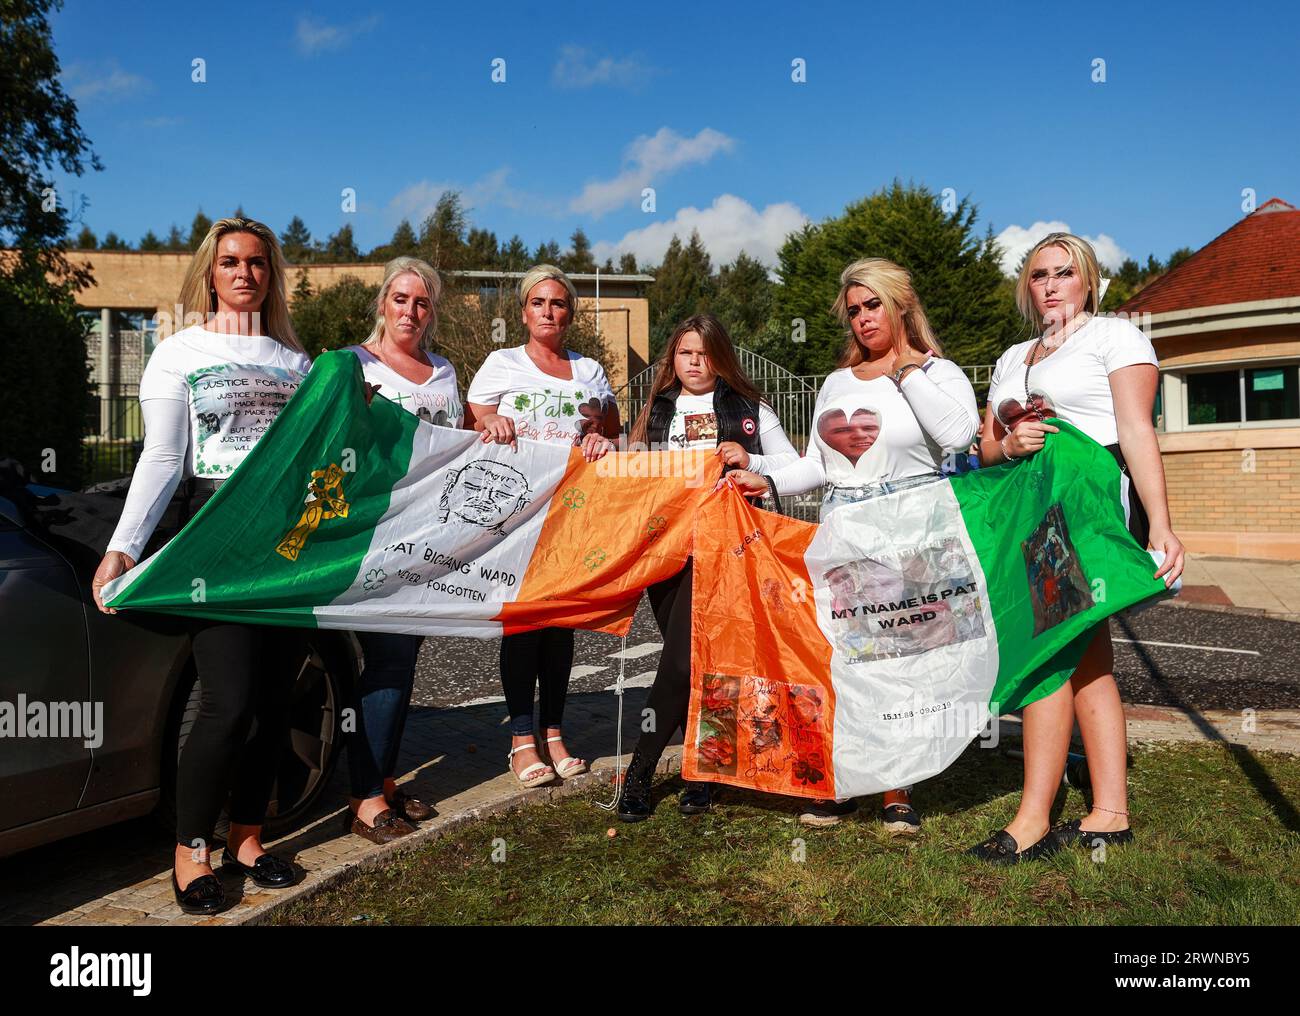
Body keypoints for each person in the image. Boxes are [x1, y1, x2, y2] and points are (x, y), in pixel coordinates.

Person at [91, 217, 313, 915]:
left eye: (256, 263)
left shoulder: (296, 361)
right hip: (215, 537)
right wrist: (124, 545)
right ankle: (192, 851)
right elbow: (162, 458)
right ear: (210, 274)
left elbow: (316, 462)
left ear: (270, 274)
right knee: (228, 701)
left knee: (277, 701)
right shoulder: (178, 350)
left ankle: (247, 839)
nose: (244, 273)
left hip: (287, 548)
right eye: (230, 263)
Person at [728, 257, 980, 830]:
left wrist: (907, 370)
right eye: (855, 310)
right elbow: (817, 466)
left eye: (874, 306)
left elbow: (958, 436)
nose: (864, 319)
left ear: (900, 306)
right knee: (845, 659)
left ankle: (896, 789)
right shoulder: (837, 383)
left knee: (906, 661)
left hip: (916, 528)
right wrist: (765, 478)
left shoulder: (937, 373)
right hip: (846, 528)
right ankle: (842, 778)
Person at [966, 232, 1184, 864]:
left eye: (1065, 272)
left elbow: (1138, 429)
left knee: (1047, 651)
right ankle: (1110, 810)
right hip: (1030, 511)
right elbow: (986, 450)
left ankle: (1033, 818)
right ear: (1026, 286)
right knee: (1087, 658)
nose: (1052, 284)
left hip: (1088, 505)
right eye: (1040, 275)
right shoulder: (1011, 358)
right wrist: (1009, 444)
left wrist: (1161, 522)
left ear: (1087, 279)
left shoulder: (1115, 337)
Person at [614, 314, 798, 821]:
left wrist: (752, 460)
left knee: (679, 663)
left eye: (704, 353)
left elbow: (798, 467)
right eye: (684, 353)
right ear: (671, 358)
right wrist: (602, 447)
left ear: (721, 356)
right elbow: (627, 469)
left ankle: (640, 774)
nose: (694, 363)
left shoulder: (751, 408)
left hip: (725, 550)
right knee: (693, 665)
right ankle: (701, 773)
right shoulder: (657, 408)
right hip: (665, 550)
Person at [465, 265, 618, 788]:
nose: (548, 312)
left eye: (558, 304)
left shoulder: (590, 370)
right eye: (538, 303)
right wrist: (490, 421)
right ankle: (521, 741)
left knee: (560, 627)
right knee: (523, 625)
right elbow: (474, 421)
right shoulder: (501, 363)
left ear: (570, 313)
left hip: (572, 514)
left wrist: (602, 440)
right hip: (515, 516)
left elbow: (607, 430)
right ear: (523, 311)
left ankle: (555, 732)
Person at [341, 256, 461, 844]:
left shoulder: (444, 370)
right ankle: (363, 798)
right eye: (400, 299)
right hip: (371, 533)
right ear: (382, 304)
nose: (410, 311)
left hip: (427, 535)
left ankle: (383, 781)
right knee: (386, 659)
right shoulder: (350, 365)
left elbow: (455, 446)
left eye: (421, 302)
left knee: (404, 660)